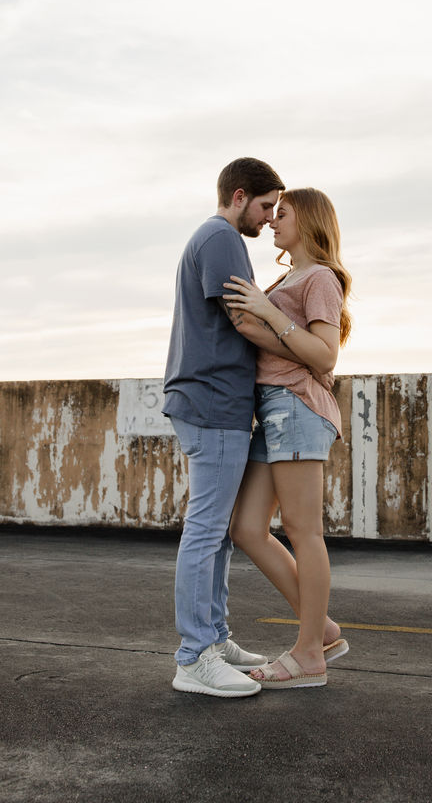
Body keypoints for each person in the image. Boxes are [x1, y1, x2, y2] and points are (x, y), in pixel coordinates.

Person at [162, 157, 286, 698]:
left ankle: (212, 638)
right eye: (264, 207)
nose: (268, 219)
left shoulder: (217, 237)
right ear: (239, 196)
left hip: (218, 404)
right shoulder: (221, 238)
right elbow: (243, 318)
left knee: (217, 537)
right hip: (212, 402)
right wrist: (305, 351)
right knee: (207, 531)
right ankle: (193, 657)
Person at [222, 187, 352, 689]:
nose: (273, 222)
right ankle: (322, 629)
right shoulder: (289, 278)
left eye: (283, 214)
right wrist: (247, 317)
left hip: (297, 406)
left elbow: (324, 357)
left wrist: (265, 312)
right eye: (272, 214)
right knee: (248, 528)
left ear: (310, 220)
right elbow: (271, 343)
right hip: (271, 409)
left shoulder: (319, 278)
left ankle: (308, 655)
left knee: (303, 530)